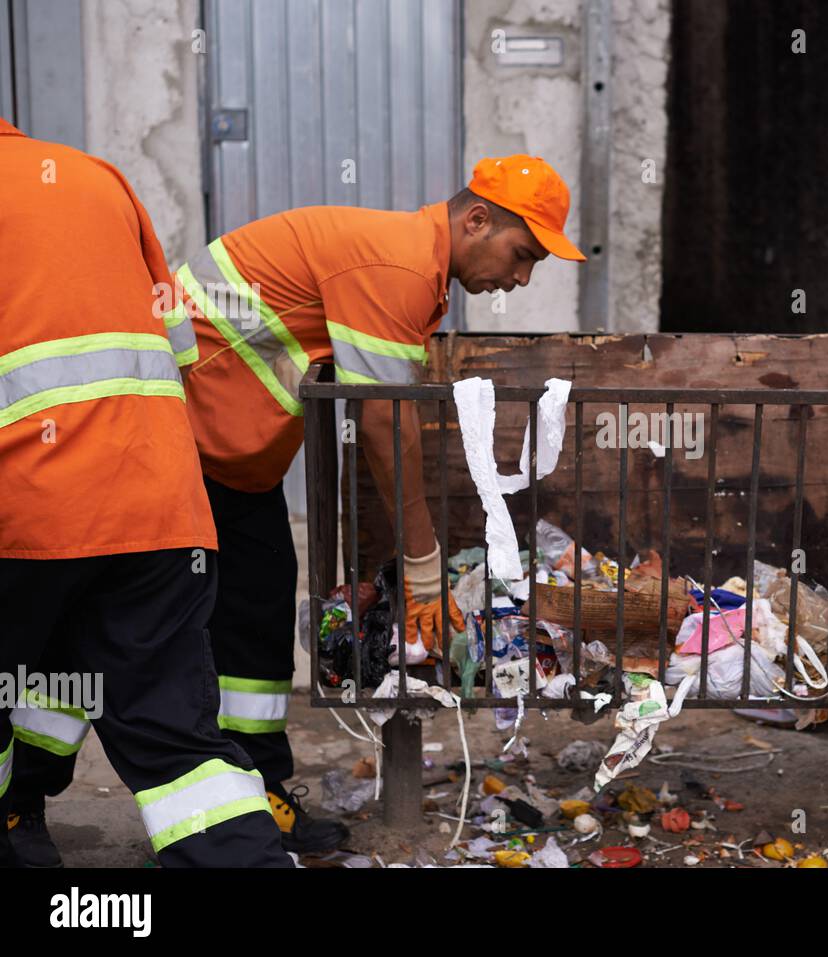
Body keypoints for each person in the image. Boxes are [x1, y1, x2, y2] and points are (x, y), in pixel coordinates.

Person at [8, 154, 585, 864]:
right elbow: (385, 421)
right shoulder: (397, 264)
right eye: (522, 254)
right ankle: (20, 801)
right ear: (476, 219)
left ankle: (256, 787)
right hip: (181, 448)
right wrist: (423, 562)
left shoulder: (407, 265)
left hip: (225, 460)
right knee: (102, 630)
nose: (520, 278)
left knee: (255, 615)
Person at [0, 116, 290, 867]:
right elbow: (182, 344)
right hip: (158, 504)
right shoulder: (98, 177)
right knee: (178, 742)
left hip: (26, 507)